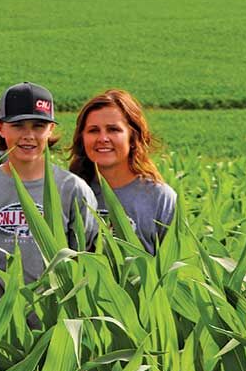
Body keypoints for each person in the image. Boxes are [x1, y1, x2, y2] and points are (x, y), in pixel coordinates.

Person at [0, 82, 98, 296]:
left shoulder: (73, 189)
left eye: (38, 126)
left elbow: (85, 259)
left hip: (59, 319)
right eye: (18, 125)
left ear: (51, 129)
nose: (28, 135)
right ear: (1, 128)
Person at [68, 89, 176, 253]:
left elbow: (177, 267)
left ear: (133, 138)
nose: (103, 138)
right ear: (82, 138)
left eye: (113, 129)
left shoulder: (160, 199)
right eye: (93, 130)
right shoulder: (69, 194)